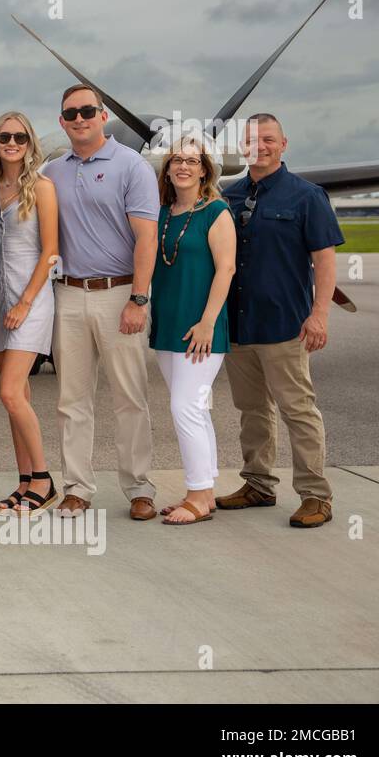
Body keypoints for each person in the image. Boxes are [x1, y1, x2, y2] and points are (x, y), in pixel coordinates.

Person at [42, 84, 160, 520]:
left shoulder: (133, 167)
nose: (79, 118)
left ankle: (139, 488)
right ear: (61, 121)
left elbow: (146, 237)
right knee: (71, 400)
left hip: (119, 294)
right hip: (68, 294)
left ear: (103, 114)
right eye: (70, 113)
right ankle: (77, 488)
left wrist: (139, 299)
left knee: (130, 398)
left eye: (88, 110)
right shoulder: (51, 172)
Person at [219, 114, 343, 528]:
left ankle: (315, 495)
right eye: (252, 140)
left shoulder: (307, 196)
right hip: (238, 327)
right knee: (252, 410)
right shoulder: (229, 197)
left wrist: (319, 315)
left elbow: (324, 260)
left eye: (268, 139)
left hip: (285, 325)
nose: (261, 146)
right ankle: (258, 483)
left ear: (283, 144)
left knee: (298, 410)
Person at [149, 136, 235, 525]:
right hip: (167, 325)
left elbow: (227, 269)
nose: (183, 166)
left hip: (200, 329)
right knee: (195, 409)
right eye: (176, 161)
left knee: (184, 407)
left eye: (192, 161)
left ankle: (198, 495)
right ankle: (206, 490)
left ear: (204, 169)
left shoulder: (216, 212)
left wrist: (207, 322)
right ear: (167, 169)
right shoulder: (162, 212)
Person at [0, 112, 60, 515]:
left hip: (30, 299)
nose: (12, 142)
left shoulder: (42, 187)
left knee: (10, 391)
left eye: (20, 136)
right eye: (4, 136)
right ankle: (23, 482)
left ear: (30, 142)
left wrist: (26, 301)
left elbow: (50, 252)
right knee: (18, 398)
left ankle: (43, 481)